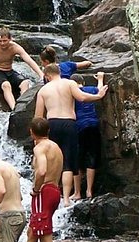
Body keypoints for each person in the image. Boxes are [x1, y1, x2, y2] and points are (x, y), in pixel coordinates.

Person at [34, 65, 107, 206]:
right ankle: (67, 199)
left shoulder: (43, 90)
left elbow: (38, 117)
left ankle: (54, 195)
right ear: (59, 72)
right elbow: (82, 98)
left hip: (52, 123)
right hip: (69, 123)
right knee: (68, 161)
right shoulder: (69, 83)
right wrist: (98, 96)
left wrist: (37, 138)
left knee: (55, 159)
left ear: (47, 76)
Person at [20, 117, 64, 242]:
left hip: (44, 192)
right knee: (33, 231)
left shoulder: (40, 148)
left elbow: (42, 171)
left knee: (45, 236)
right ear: (48, 130)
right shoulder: (56, 147)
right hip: (55, 191)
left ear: (31, 132)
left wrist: (36, 189)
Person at [0, 27, 45, 111]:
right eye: (0, 41)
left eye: (5, 41)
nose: (2, 43)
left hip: (9, 72)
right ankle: (15, 109)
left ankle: (23, 106)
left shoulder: (15, 47)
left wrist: (41, 74)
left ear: (10, 39)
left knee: (25, 82)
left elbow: (29, 60)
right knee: (6, 85)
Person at [73, 76, 102, 200]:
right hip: (93, 125)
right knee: (92, 155)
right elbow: (99, 89)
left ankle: (77, 192)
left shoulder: (72, 92)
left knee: (78, 159)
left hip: (79, 127)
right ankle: (89, 190)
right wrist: (100, 78)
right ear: (83, 82)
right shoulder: (90, 89)